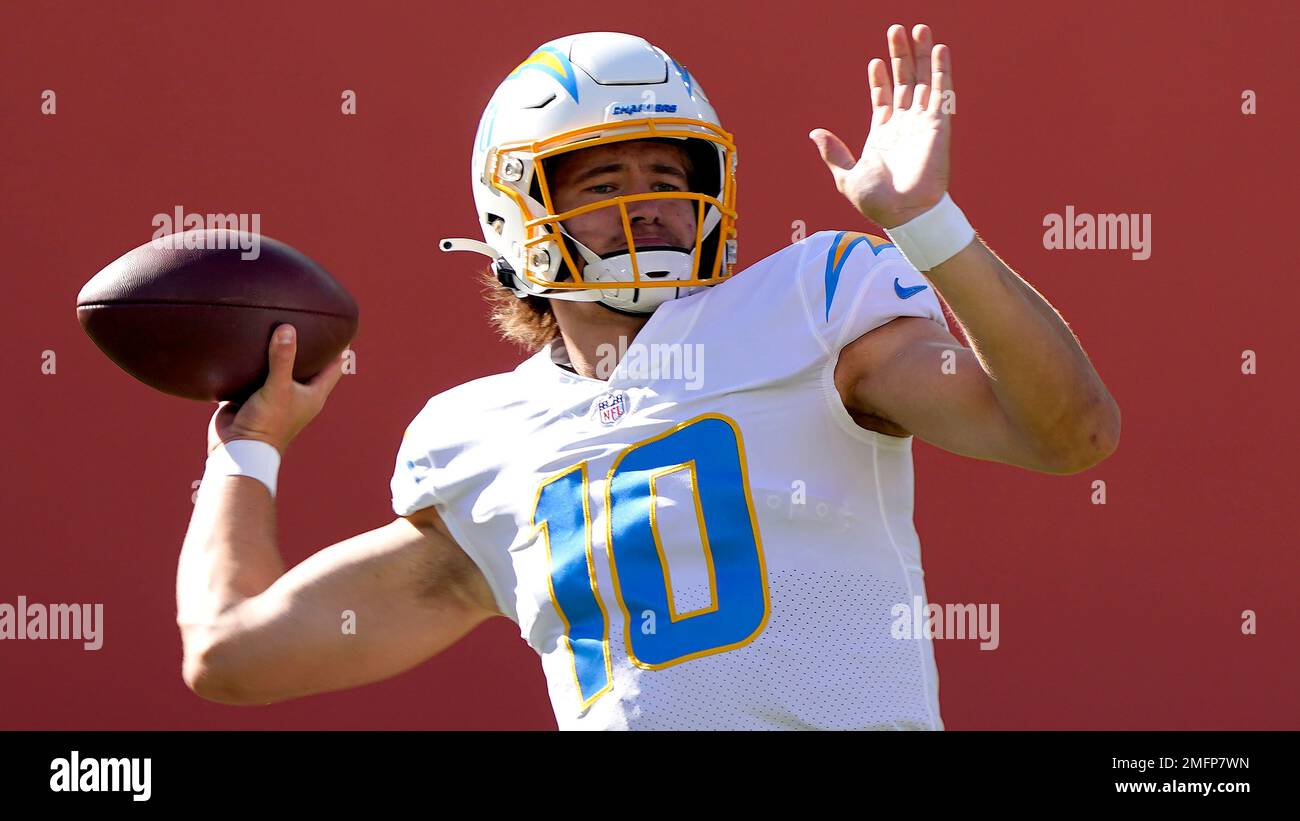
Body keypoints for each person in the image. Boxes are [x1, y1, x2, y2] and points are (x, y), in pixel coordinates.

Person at [177, 27, 1119, 730]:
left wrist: (930, 227)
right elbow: (229, 653)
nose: (651, 203)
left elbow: (1069, 433)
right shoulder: (479, 443)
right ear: (513, 217)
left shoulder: (815, 305)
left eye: (669, 173)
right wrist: (247, 449)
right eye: (601, 182)